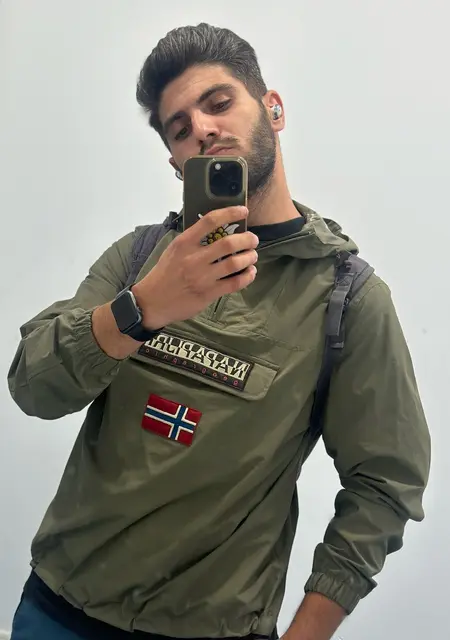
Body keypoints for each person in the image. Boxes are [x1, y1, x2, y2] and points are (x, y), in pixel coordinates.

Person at [7, 22, 431, 640]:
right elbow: (33, 386)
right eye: (180, 128)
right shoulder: (138, 259)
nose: (202, 128)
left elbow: (385, 486)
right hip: (58, 612)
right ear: (175, 162)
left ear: (273, 109)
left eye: (219, 102)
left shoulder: (348, 299)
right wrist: (142, 308)